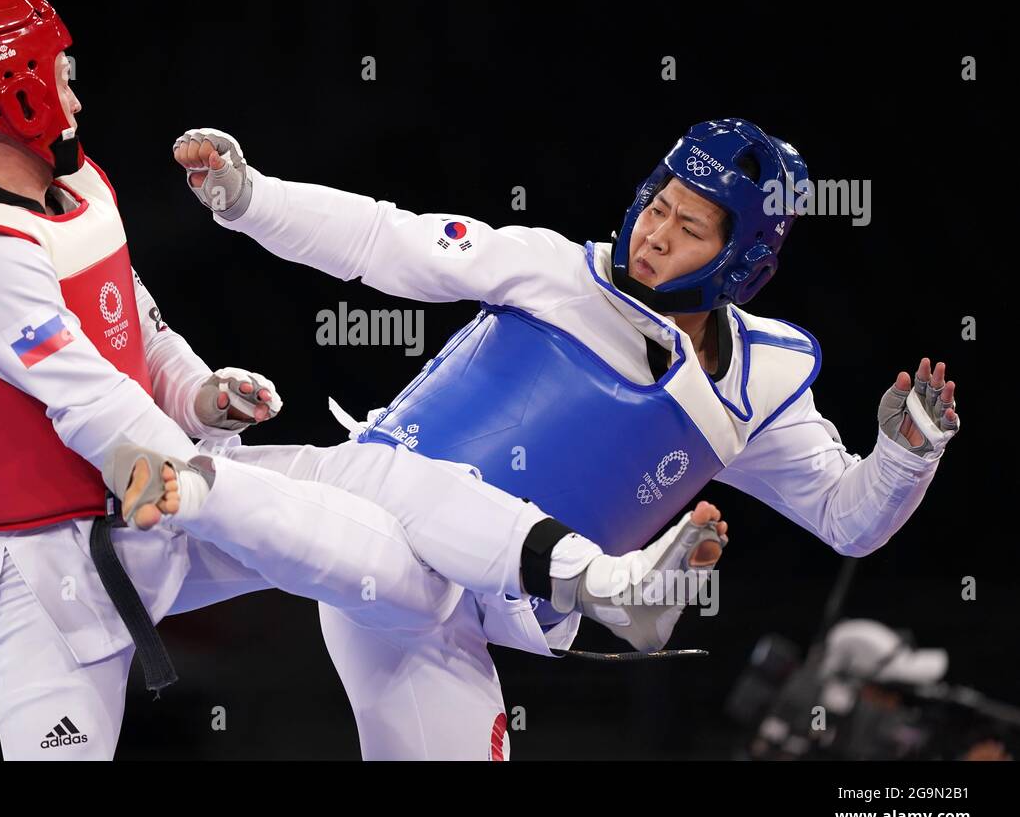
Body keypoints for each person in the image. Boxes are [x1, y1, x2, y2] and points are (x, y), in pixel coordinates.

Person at [0, 0, 727, 761]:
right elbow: (92, 402)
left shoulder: (80, 195)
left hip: (153, 508)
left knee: (400, 521)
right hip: (48, 571)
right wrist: (190, 473)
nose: (75, 90)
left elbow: (134, 329)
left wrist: (198, 390)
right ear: (19, 90)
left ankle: (609, 584)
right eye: (61, 72)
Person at [164, 121, 961, 759]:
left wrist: (905, 454)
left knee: (198, 507)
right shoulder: (551, 271)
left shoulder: (761, 384)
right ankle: (612, 586)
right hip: (372, 524)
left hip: (464, 611)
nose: (653, 234)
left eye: (687, 227)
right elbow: (382, 239)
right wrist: (249, 197)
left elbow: (848, 521)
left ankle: (611, 587)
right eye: (657, 204)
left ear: (744, 259)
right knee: (195, 513)